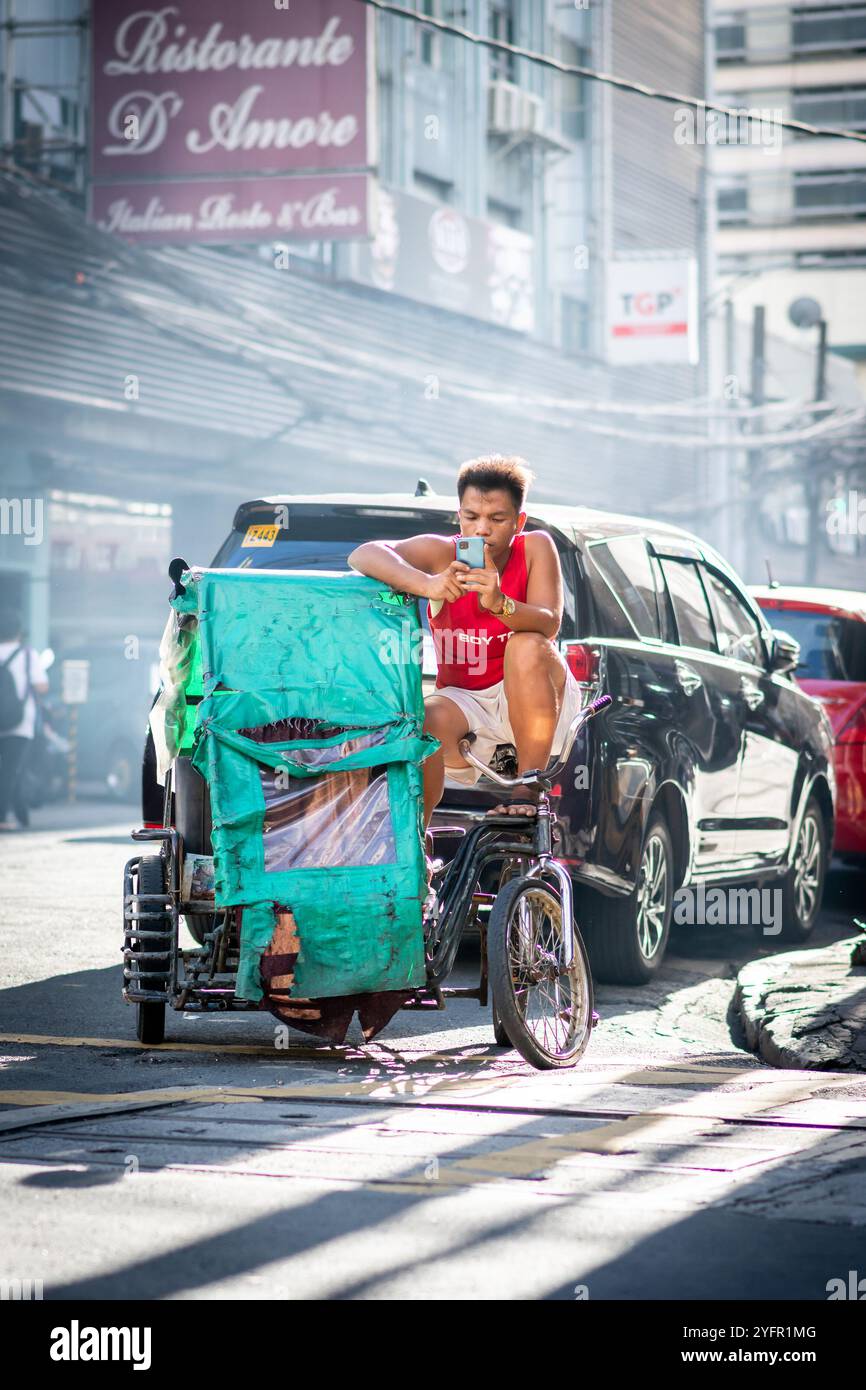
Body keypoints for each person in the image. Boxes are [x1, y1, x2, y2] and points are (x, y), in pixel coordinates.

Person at [348, 454, 582, 827]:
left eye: (497, 519)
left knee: (525, 644)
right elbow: (364, 555)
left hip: (537, 694)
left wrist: (499, 604)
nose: (482, 530)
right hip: (467, 701)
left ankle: (528, 785)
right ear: (459, 516)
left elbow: (548, 623)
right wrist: (427, 583)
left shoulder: (536, 546)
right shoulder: (444, 553)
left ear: (518, 522)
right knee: (422, 721)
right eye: (471, 517)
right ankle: (415, 842)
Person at [0, 610, 50, 830]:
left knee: (10, 770)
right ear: (19, 631)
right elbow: (42, 686)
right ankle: (3, 817)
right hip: (19, 722)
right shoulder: (27, 655)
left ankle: (21, 814)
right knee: (11, 769)